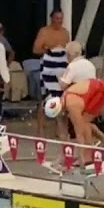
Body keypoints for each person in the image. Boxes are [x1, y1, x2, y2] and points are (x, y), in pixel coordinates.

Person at [45, 76, 104, 157]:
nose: (59, 117)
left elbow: (80, 135)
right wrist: (62, 159)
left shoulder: (71, 105)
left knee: (84, 123)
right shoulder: (61, 103)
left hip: (100, 90)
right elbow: (64, 135)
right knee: (84, 122)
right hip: (91, 90)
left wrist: (80, 161)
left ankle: (88, 153)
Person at [32, 10, 70, 139]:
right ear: (51, 18)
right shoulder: (44, 31)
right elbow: (36, 49)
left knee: (61, 99)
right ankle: (40, 130)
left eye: (61, 18)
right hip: (48, 67)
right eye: (57, 18)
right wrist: (49, 50)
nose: (59, 21)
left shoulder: (65, 33)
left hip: (61, 68)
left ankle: (59, 129)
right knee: (45, 98)